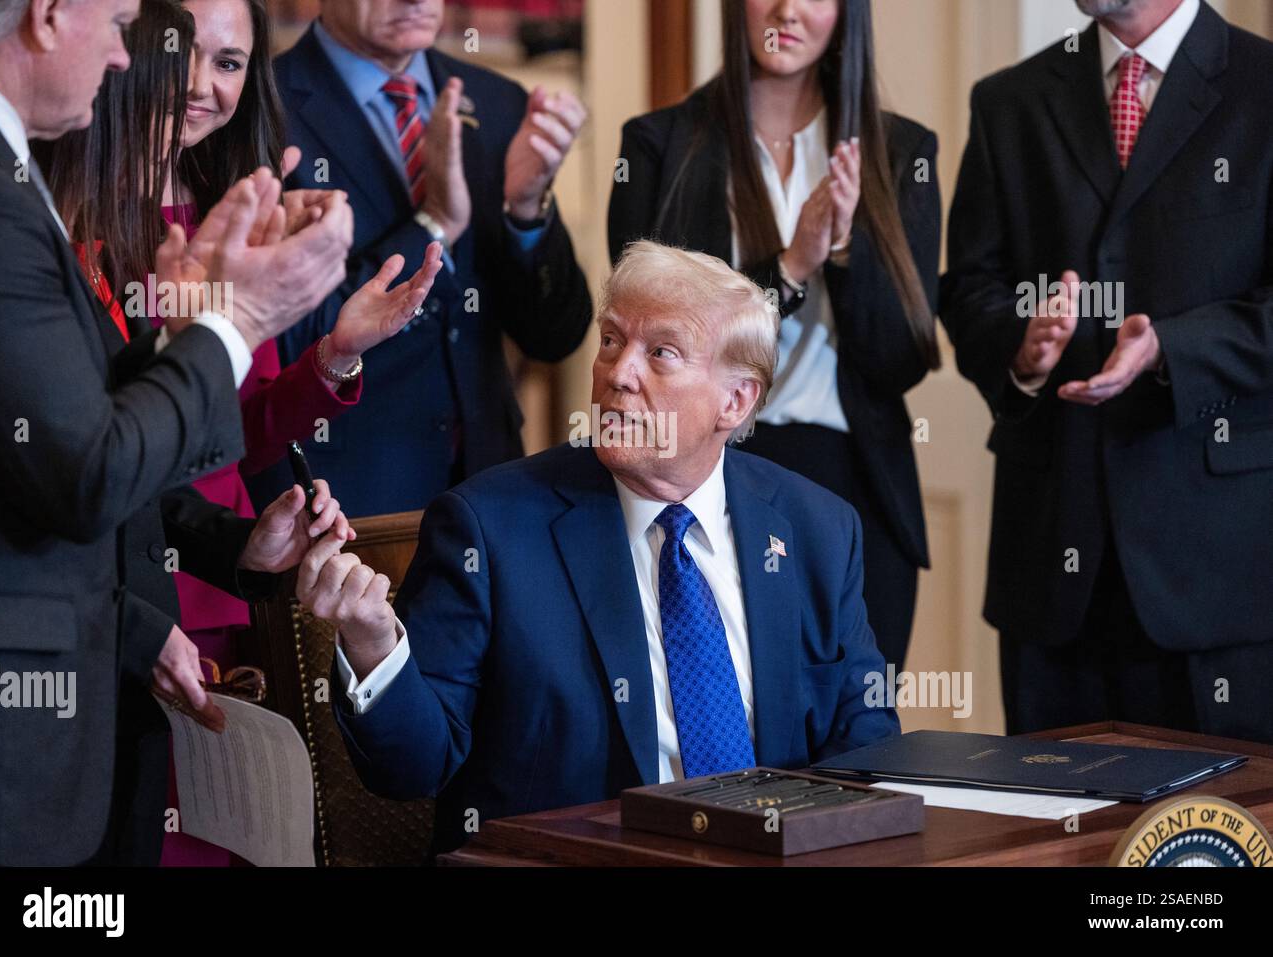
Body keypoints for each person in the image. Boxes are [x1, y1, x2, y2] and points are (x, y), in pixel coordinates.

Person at [299, 241, 900, 855]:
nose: (618, 373)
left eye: (660, 353)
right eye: (611, 341)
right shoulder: (489, 529)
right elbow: (412, 770)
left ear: (735, 401)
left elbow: (865, 746)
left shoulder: (816, 529)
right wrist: (374, 643)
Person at [37, 0, 441, 865]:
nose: (201, 86)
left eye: (229, 64)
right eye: (183, 54)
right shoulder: (57, 213)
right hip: (93, 597)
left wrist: (335, 354)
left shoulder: (230, 206)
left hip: (213, 569)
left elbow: (235, 429)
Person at [0, 0, 353, 866]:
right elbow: (81, 473)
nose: (121, 58)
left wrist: (241, 548)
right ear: (46, 14)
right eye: (116, 24)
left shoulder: (7, 170)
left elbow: (80, 435)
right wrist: (230, 321)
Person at [940, 0, 1273, 743]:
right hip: (1055, 566)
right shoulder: (1009, 101)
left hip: (1221, 574)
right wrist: (1019, 348)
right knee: (1049, 846)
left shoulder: (1263, 86)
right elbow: (970, 287)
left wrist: (1172, 349)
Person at [608, 0, 941, 673]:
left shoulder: (903, 151)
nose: (787, 10)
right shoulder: (657, 144)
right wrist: (792, 265)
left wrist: (844, 254)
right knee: (720, 726)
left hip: (854, 480)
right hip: (705, 473)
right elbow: (653, 329)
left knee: (853, 742)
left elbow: (900, 359)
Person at [246, 0, 594, 517]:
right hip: (340, 503)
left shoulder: (498, 104)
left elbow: (556, 336)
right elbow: (273, 341)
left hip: (489, 488)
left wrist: (526, 212)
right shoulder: (259, 109)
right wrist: (431, 226)